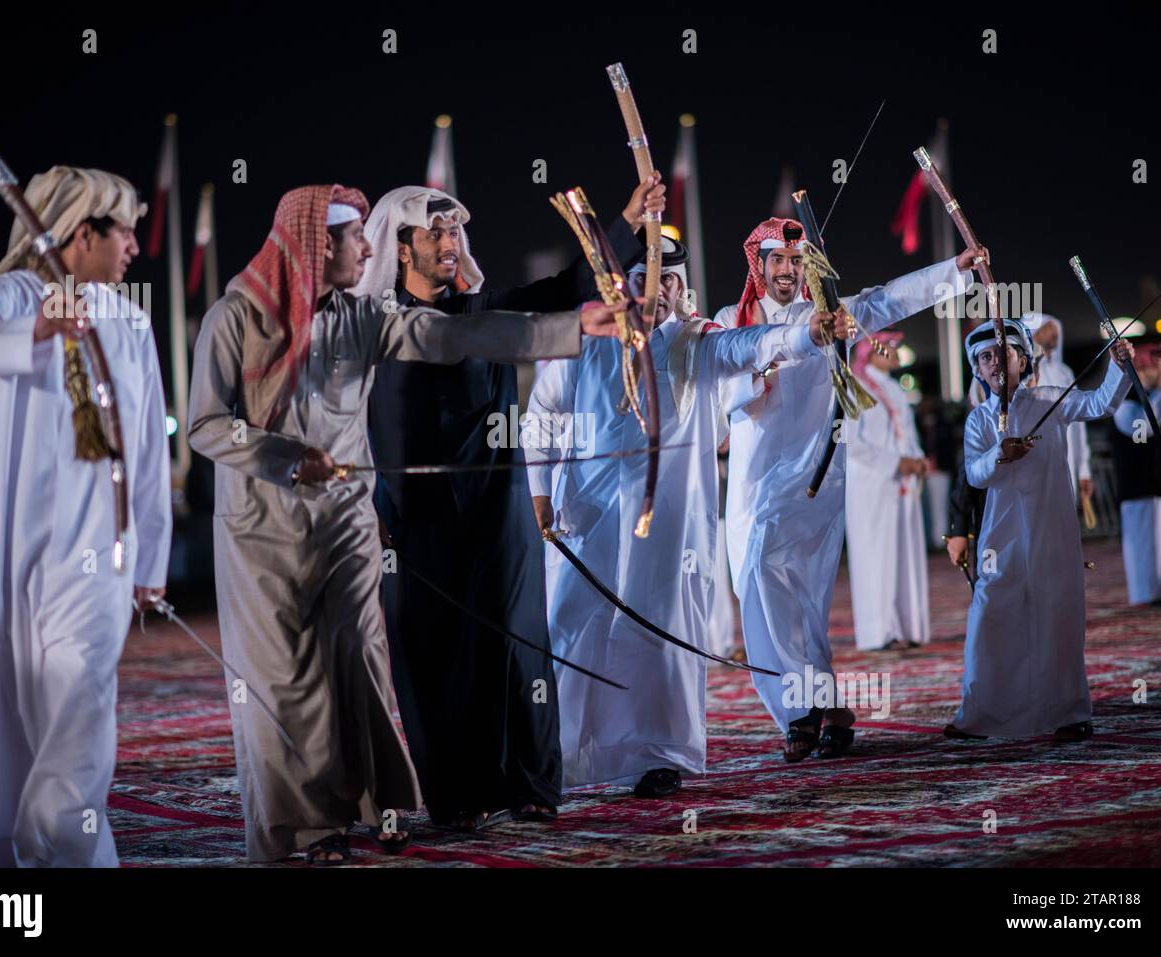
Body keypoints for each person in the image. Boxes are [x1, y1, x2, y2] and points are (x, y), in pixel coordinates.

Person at [187, 185, 628, 863]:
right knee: (290, 681)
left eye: (369, 233)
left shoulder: (361, 319)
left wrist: (571, 329)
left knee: (360, 670)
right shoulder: (235, 318)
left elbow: (450, 333)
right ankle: (298, 829)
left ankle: (361, 807)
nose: (365, 249)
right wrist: (284, 457)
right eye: (353, 237)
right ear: (315, 243)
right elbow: (207, 425)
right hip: (265, 529)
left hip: (346, 524)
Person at [350, 176, 663, 830]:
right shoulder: (373, 330)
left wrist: (630, 221)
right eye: (434, 231)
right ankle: (458, 795)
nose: (449, 241)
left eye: (454, 229)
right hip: (416, 520)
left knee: (517, 647)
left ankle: (528, 783)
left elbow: (568, 289)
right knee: (435, 651)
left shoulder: (485, 313)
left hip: (500, 514)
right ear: (400, 247)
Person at [527, 237, 854, 797]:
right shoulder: (581, 338)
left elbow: (753, 344)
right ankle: (557, 754)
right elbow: (544, 412)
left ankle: (656, 756)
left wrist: (809, 333)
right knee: (573, 627)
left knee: (662, 634)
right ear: (620, 284)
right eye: (646, 279)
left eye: (671, 280)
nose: (660, 291)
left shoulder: (695, 341)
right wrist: (538, 489)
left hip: (672, 528)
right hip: (588, 514)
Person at [0, 166, 172, 866]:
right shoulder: (5, 296)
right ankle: (0, 868)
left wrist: (149, 562)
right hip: (7, 552)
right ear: (81, 232)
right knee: (4, 719)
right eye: (125, 230)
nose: (135, 245)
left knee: (78, 713)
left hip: (97, 558)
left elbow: (149, 455)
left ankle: (67, 846)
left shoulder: (128, 320)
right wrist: (38, 325)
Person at [721, 216, 982, 761]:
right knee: (774, 602)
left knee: (782, 584)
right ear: (759, 264)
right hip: (750, 481)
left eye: (797, 261)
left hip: (814, 479)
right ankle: (827, 706)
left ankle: (801, 715)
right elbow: (721, 383)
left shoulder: (833, 315)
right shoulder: (731, 320)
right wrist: (757, 377)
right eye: (779, 261)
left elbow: (889, 299)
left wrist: (954, 271)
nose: (788, 271)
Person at [946, 319, 1133, 741]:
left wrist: (1119, 367)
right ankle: (981, 714)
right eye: (985, 358)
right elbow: (974, 475)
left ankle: (1069, 713)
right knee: (990, 615)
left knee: (1057, 614)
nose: (995, 363)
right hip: (1000, 538)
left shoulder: (1051, 399)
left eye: (1004, 354)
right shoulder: (978, 421)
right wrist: (1000, 454)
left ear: (1024, 360)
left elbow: (1101, 404)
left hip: (1053, 531)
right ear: (977, 369)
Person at [845, 331, 931, 650]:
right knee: (875, 556)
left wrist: (917, 459)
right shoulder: (854, 387)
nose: (895, 351)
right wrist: (896, 462)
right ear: (870, 352)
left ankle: (907, 627)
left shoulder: (895, 388)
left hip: (901, 482)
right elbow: (850, 444)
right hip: (871, 483)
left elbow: (906, 435)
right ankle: (877, 632)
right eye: (889, 346)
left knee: (903, 554)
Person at [1111, 343, 1161, 606]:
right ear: (1143, 366)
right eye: (1156, 364)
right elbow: (1139, 432)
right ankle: (1150, 593)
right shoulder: (1126, 397)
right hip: (1142, 485)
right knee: (1147, 543)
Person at [1025, 313, 1094, 503]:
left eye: (1055, 327)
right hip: (1037, 462)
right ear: (1033, 331)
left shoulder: (1065, 372)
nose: (1054, 332)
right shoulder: (1025, 372)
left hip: (1067, 460)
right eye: (1048, 327)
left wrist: (1084, 470)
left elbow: (1079, 422)